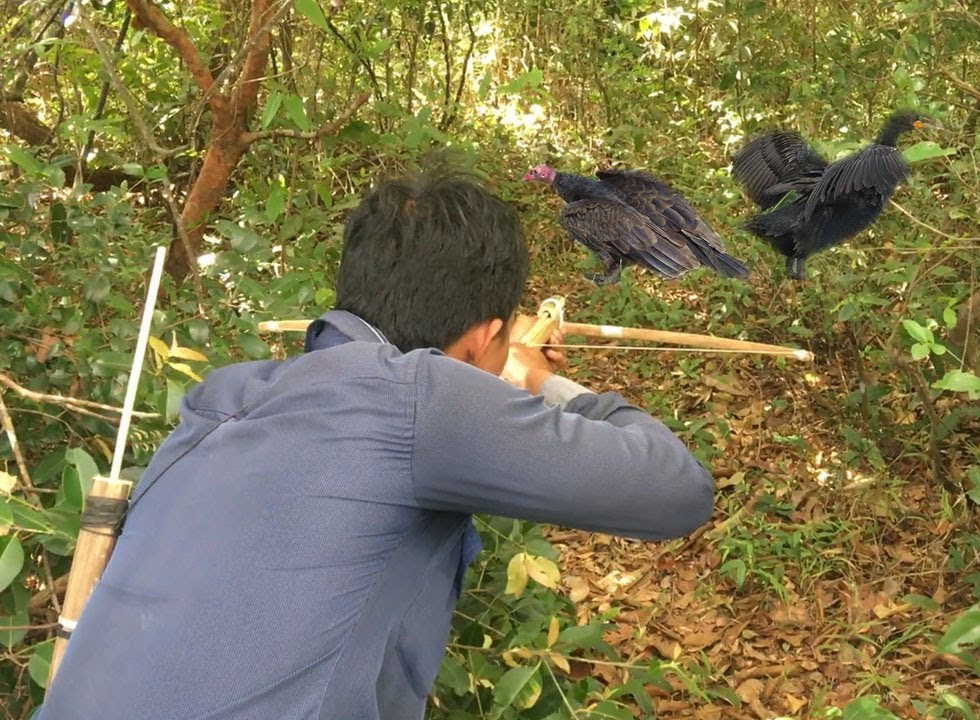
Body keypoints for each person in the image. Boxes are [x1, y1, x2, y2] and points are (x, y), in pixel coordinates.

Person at [38, 169, 714, 719]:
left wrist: (490, 366)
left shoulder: (223, 396)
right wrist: (537, 379)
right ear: (484, 338)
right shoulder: (419, 398)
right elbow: (675, 488)